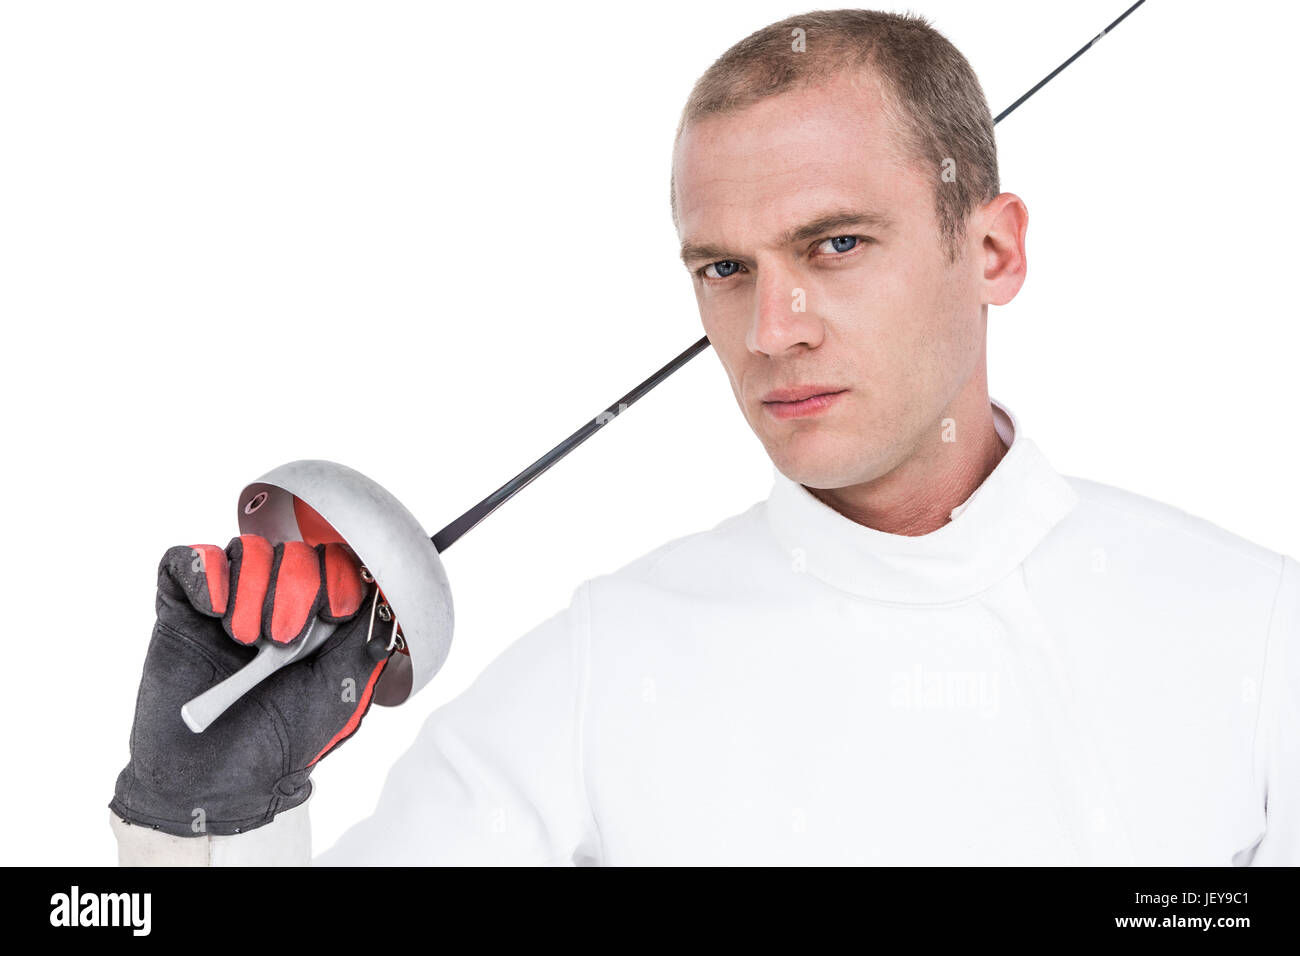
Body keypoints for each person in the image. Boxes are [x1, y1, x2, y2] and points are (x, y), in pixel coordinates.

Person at [109, 8, 1298, 865]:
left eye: (835, 244)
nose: (771, 328)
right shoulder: (593, 672)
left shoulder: (1259, 642)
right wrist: (204, 824)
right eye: (724, 267)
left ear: (991, 252)